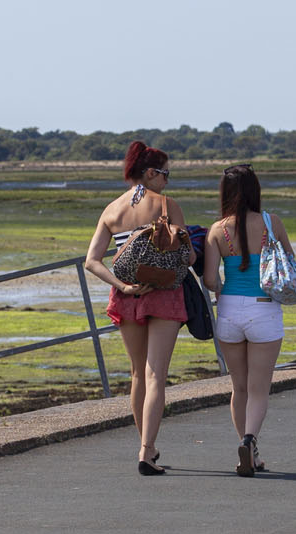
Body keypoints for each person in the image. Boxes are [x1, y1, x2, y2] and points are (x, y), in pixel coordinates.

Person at [84, 140, 187, 476]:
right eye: (165, 174)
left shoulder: (112, 210)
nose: (168, 181)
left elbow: (92, 261)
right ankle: (146, 450)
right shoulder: (166, 205)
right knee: (156, 373)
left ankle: (147, 446)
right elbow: (188, 255)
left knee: (137, 374)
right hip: (164, 293)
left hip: (127, 295)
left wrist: (123, 286)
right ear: (150, 173)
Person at [203, 164, 284, 477]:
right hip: (264, 307)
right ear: (254, 190)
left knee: (239, 387)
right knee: (259, 388)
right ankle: (250, 441)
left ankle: (246, 447)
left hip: (229, 311)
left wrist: (225, 290)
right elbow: (288, 262)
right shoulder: (271, 223)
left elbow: (211, 279)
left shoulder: (217, 230)